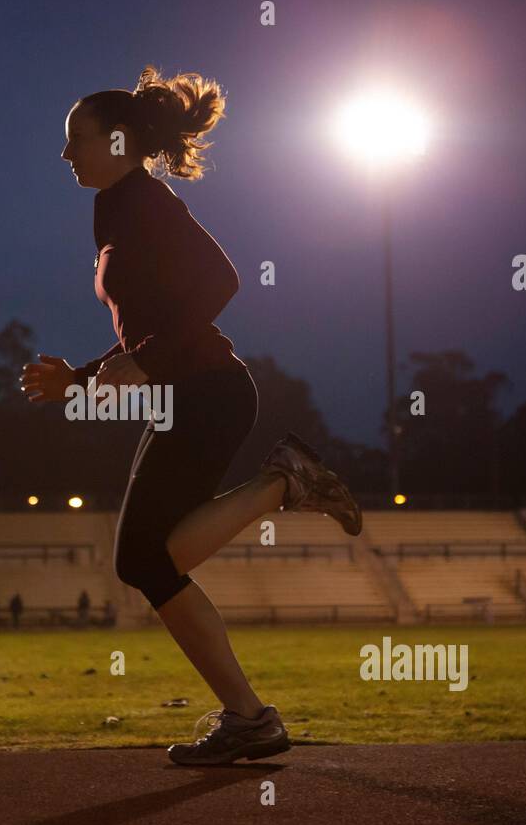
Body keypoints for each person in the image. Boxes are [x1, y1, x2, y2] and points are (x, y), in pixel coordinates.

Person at [20, 65, 363, 766]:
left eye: (75, 139)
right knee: (145, 560)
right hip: (185, 394)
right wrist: (82, 379)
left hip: (209, 393)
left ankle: (284, 488)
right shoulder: (114, 207)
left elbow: (221, 281)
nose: (65, 155)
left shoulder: (145, 201)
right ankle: (249, 714)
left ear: (117, 141)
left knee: (143, 559)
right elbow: (145, 336)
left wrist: (138, 361)